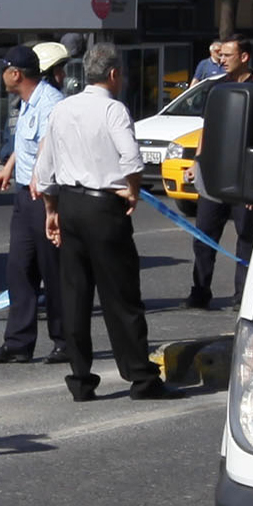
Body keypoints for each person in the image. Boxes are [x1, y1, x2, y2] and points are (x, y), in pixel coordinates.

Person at [38, 44, 178, 401]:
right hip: (104, 207)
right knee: (121, 295)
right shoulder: (114, 110)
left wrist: (52, 212)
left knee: (75, 294)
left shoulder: (62, 109)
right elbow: (132, 160)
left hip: (69, 204)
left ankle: (81, 379)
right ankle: (140, 377)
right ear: (113, 74)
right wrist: (132, 192)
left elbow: (45, 168)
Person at [0, 42, 67, 365]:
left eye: (4, 69)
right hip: (23, 195)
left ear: (16, 74)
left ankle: (65, 340)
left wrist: (39, 179)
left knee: (52, 271)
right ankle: (18, 342)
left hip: (44, 196)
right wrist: (9, 167)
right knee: (19, 269)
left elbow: (47, 144)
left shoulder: (50, 103)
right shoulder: (28, 101)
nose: (1, 75)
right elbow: (25, 144)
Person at [189, 34, 253, 309]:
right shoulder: (216, 88)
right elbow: (206, 128)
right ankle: (199, 290)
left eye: (228, 55)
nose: (221, 60)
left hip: (243, 178)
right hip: (213, 175)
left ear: (244, 57)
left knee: (246, 237)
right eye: (220, 55)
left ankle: (241, 295)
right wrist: (197, 162)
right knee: (204, 235)